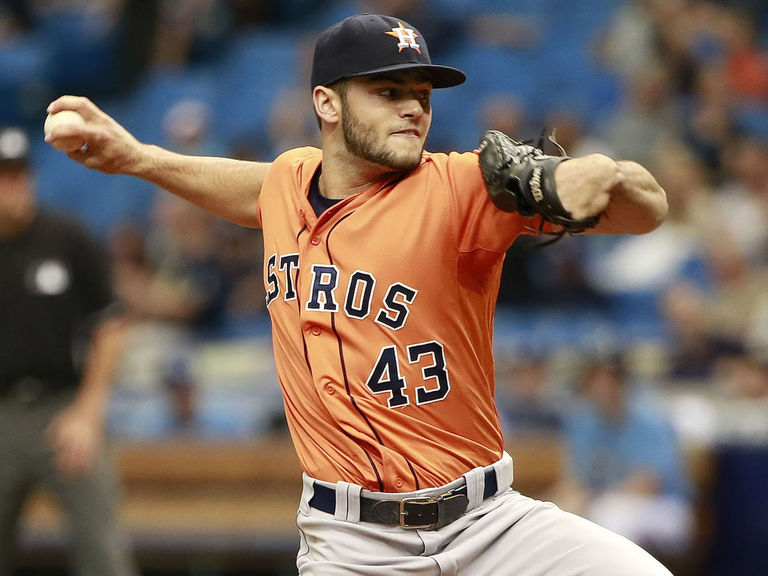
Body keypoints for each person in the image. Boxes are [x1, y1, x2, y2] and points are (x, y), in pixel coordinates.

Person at [45, 13, 670, 575]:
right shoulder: (288, 181)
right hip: (350, 544)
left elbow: (646, 209)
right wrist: (140, 159)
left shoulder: (457, 187)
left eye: (421, 95)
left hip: (490, 527)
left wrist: (607, 173)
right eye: (388, 91)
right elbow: (250, 188)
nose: (414, 109)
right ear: (327, 103)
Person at [0, 126, 137, 576]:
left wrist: (89, 411)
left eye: (18, 175)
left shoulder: (66, 238)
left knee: (103, 553)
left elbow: (111, 325)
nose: (11, 188)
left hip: (64, 410)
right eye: (2, 177)